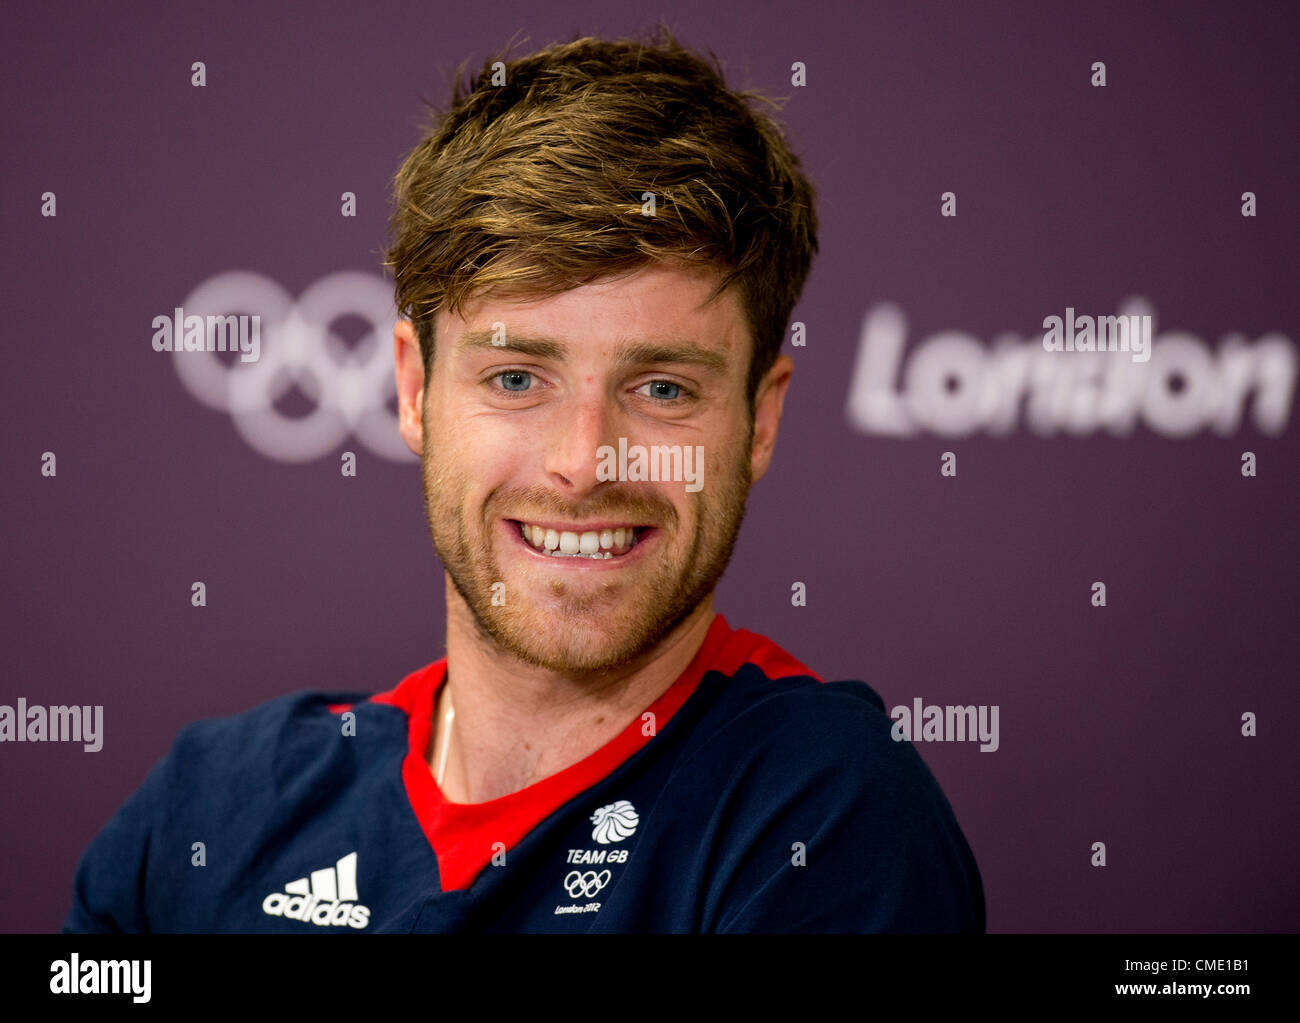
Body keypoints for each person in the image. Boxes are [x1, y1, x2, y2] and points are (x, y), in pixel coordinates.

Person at [64, 25, 984, 933]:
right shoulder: (212, 808)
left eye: (662, 387)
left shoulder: (823, 816)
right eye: (516, 378)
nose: (584, 462)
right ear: (416, 390)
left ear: (761, 421)